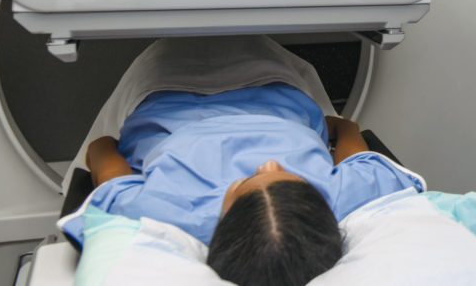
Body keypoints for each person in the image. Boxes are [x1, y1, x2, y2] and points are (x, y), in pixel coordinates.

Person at [61, 35, 425, 286]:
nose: (269, 164)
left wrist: (331, 128)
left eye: (249, 180)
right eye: (290, 176)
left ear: (220, 221)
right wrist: (334, 126)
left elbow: (102, 148)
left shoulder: (156, 212)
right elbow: (349, 130)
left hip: (167, 77)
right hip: (273, 75)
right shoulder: (352, 196)